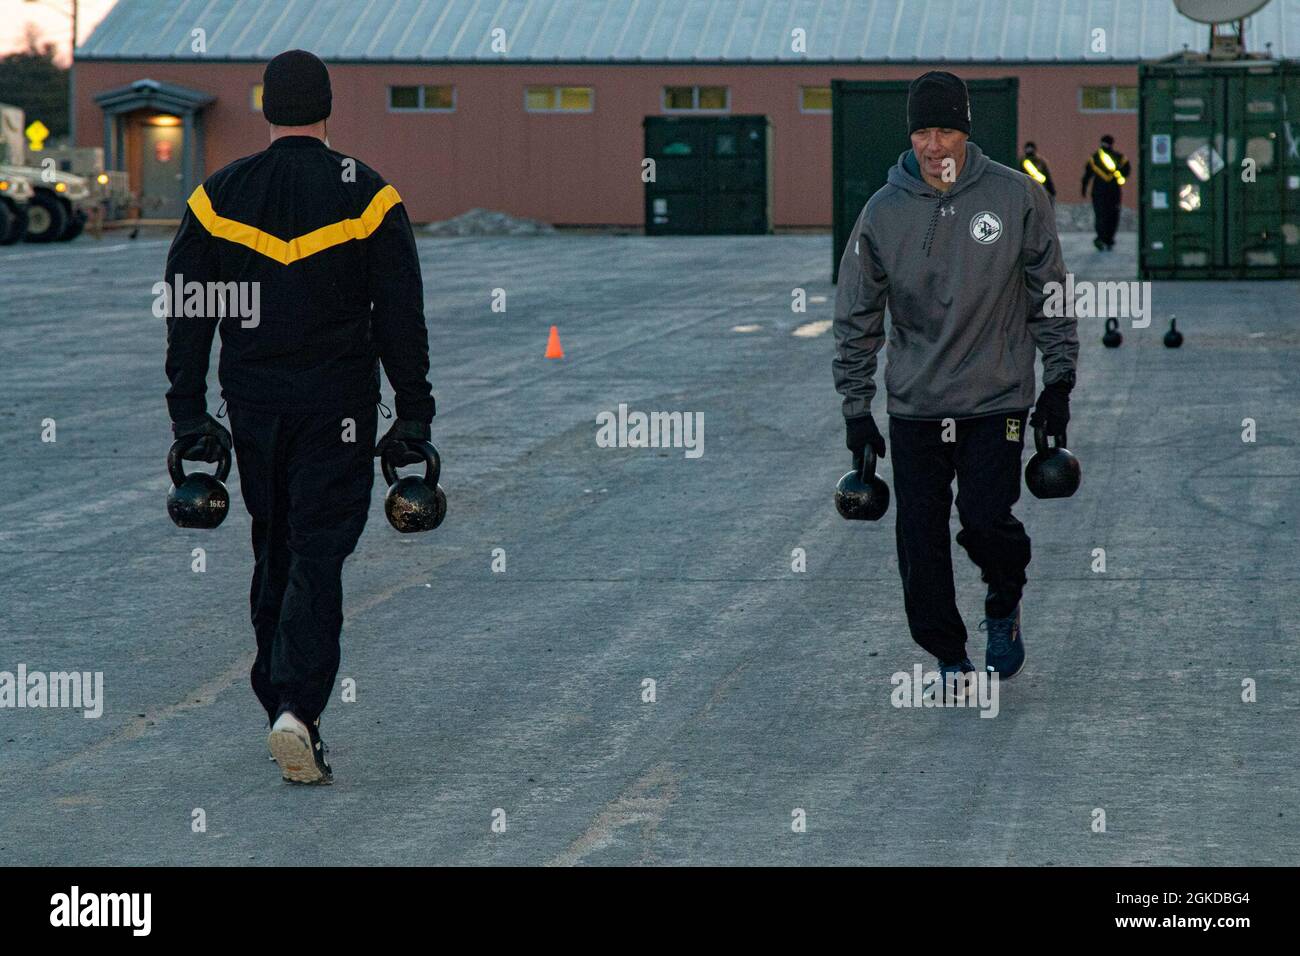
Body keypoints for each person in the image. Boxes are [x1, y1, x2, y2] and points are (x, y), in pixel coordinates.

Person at [163, 49, 436, 784]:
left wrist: (188, 416)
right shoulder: (370, 197)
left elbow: (190, 315)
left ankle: (281, 701)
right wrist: (414, 414)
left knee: (273, 543)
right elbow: (400, 317)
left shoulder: (216, 197)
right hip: (338, 409)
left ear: (265, 109)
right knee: (318, 551)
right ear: (327, 109)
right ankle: (297, 708)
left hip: (254, 406)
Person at [832, 71, 1078, 694]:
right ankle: (947, 653)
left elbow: (1047, 291)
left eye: (944, 130)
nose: (933, 144)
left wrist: (1059, 383)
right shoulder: (882, 214)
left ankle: (1003, 601)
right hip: (916, 403)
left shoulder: (1017, 197)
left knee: (985, 518)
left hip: (997, 398)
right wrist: (856, 409)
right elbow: (857, 314)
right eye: (921, 131)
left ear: (966, 132)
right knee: (919, 538)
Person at [1081, 134, 1129, 251]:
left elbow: (1087, 175)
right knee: (1111, 216)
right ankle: (1108, 239)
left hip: (1099, 192)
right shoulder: (1119, 158)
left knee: (1101, 216)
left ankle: (1102, 238)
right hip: (1113, 192)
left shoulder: (1095, 157)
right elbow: (1126, 171)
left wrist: (1084, 188)